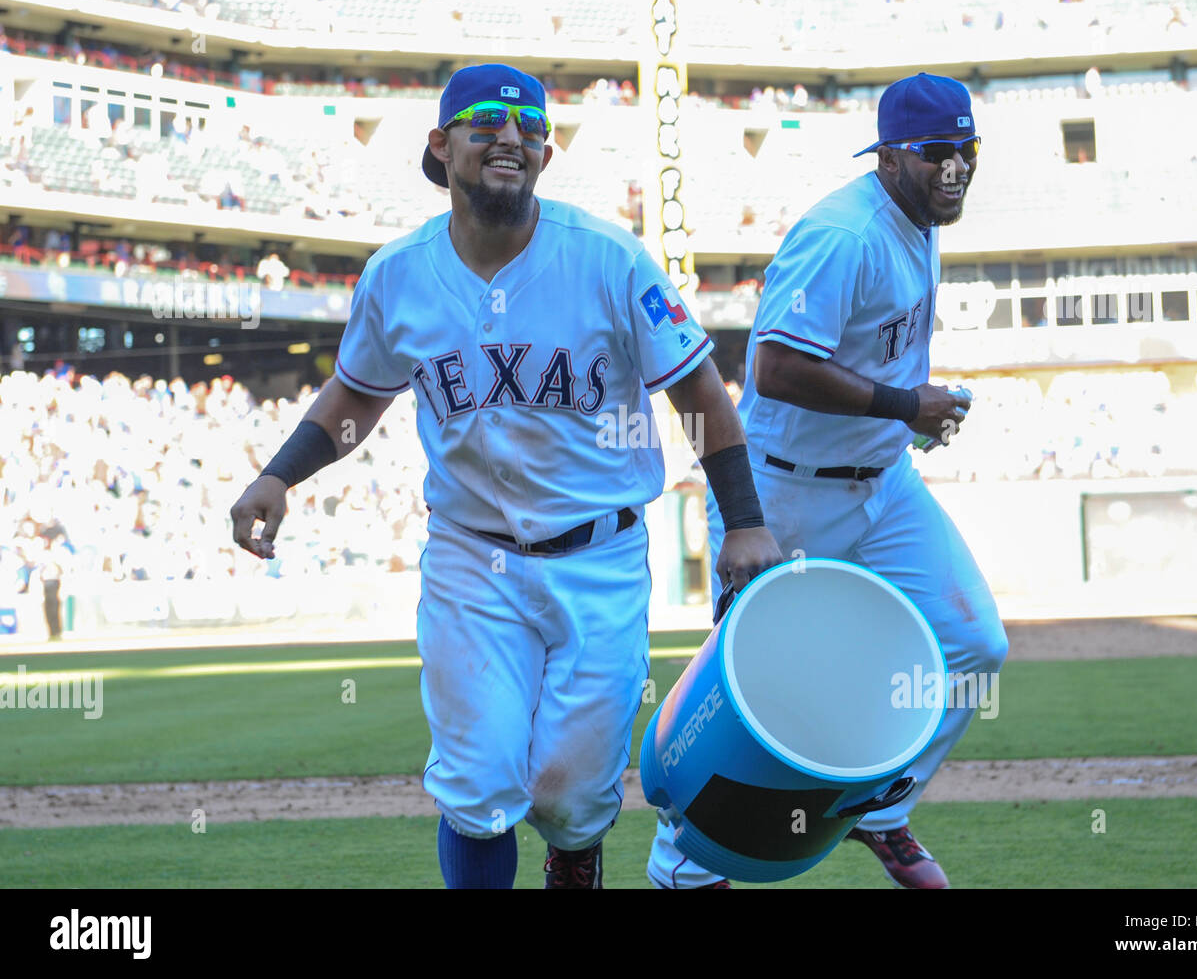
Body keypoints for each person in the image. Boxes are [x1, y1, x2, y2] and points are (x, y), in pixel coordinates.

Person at [228, 63, 783, 889]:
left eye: (528, 128)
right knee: (477, 784)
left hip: (598, 557)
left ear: (545, 156)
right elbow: (356, 393)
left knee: (570, 796)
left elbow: (698, 389)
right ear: (440, 144)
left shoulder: (607, 257)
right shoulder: (399, 274)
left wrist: (742, 518)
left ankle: (576, 852)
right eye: (487, 123)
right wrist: (279, 476)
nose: (510, 139)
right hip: (470, 558)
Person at [647, 72, 1009, 889]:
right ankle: (684, 867)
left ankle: (881, 811)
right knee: (753, 696)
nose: (954, 169)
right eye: (935, 154)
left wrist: (906, 413)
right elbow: (771, 367)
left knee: (973, 647)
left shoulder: (918, 218)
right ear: (887, 155)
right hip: (789, 495)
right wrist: (905, 402)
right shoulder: (844, 233)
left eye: (966, 151)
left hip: (881, 482)